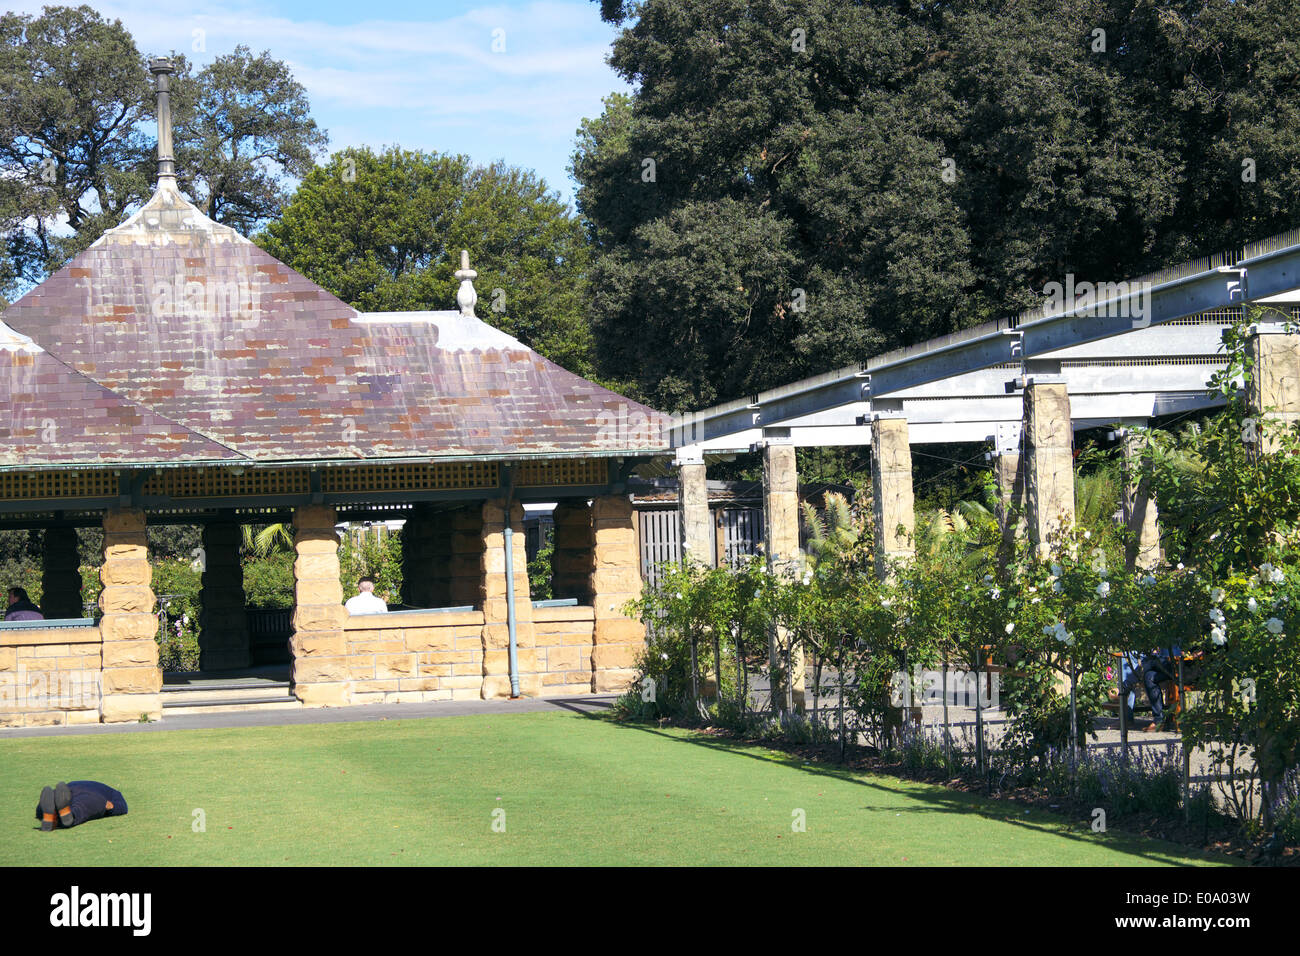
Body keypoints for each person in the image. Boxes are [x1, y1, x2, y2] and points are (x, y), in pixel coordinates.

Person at [1114, 645, 1179, 732]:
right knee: (1148, 676)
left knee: (1149, 662)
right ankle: (1158, 721)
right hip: (1162, 661)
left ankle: (1123, 688)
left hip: (1174, 663)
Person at [36, 781, 127, 831]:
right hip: (91, 794)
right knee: (81, 808)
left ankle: (45, 814)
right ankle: (66, 816)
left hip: (68, 789)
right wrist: (113, 807)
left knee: (53, 798)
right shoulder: (114, 793)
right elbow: (123, 807)